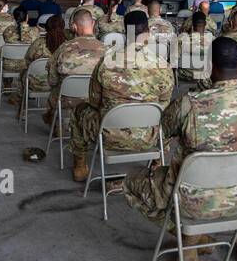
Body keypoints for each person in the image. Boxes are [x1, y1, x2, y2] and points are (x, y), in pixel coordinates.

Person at [124, 38, 237, 261]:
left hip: (190, 200)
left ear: (210, 65)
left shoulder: (191, 103)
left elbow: (163, 130)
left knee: (131, 182)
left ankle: (188, 237)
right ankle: (194, 237)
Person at [70, 11, 175, 181]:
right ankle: (157, 161)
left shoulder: (107, 62)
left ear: (125, 31)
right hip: (150, 137)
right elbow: (165, 104)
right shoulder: (163, 66)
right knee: (169, 116)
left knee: (79, 110)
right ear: (148, 31)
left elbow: (95, 101)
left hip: (109, 134)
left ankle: (80, 165)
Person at [46, 9, 106, 128]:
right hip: (95, 101)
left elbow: (52, 79)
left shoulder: (64, 47)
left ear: (73, 26)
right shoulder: (107, 50)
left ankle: (58, 127)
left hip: (67, 99)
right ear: (93, 24)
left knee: (53, 94)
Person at [15, 14, 66, 117]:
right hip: (60, 87)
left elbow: (28, 60)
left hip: (36, 83)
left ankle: (21, 109)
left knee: (23, 71)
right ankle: (54, 117)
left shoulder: (39, 43)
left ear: (46, 27)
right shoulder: (68, 46)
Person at [0, 8, 41, 105]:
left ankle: (7, 83)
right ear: (27, 17)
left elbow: (7, 41)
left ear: (13, 17)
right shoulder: (35, 31)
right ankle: (26, 89)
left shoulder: (8, 31)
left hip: (10, 65)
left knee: (4, 56)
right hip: (29, 67)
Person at [175, 13, 215, 83]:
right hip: (208, 75)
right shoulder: (214, 40)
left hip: (186, 75)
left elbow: (174, 58)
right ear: (205, 25)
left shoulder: (181, 39)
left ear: (192, 26)